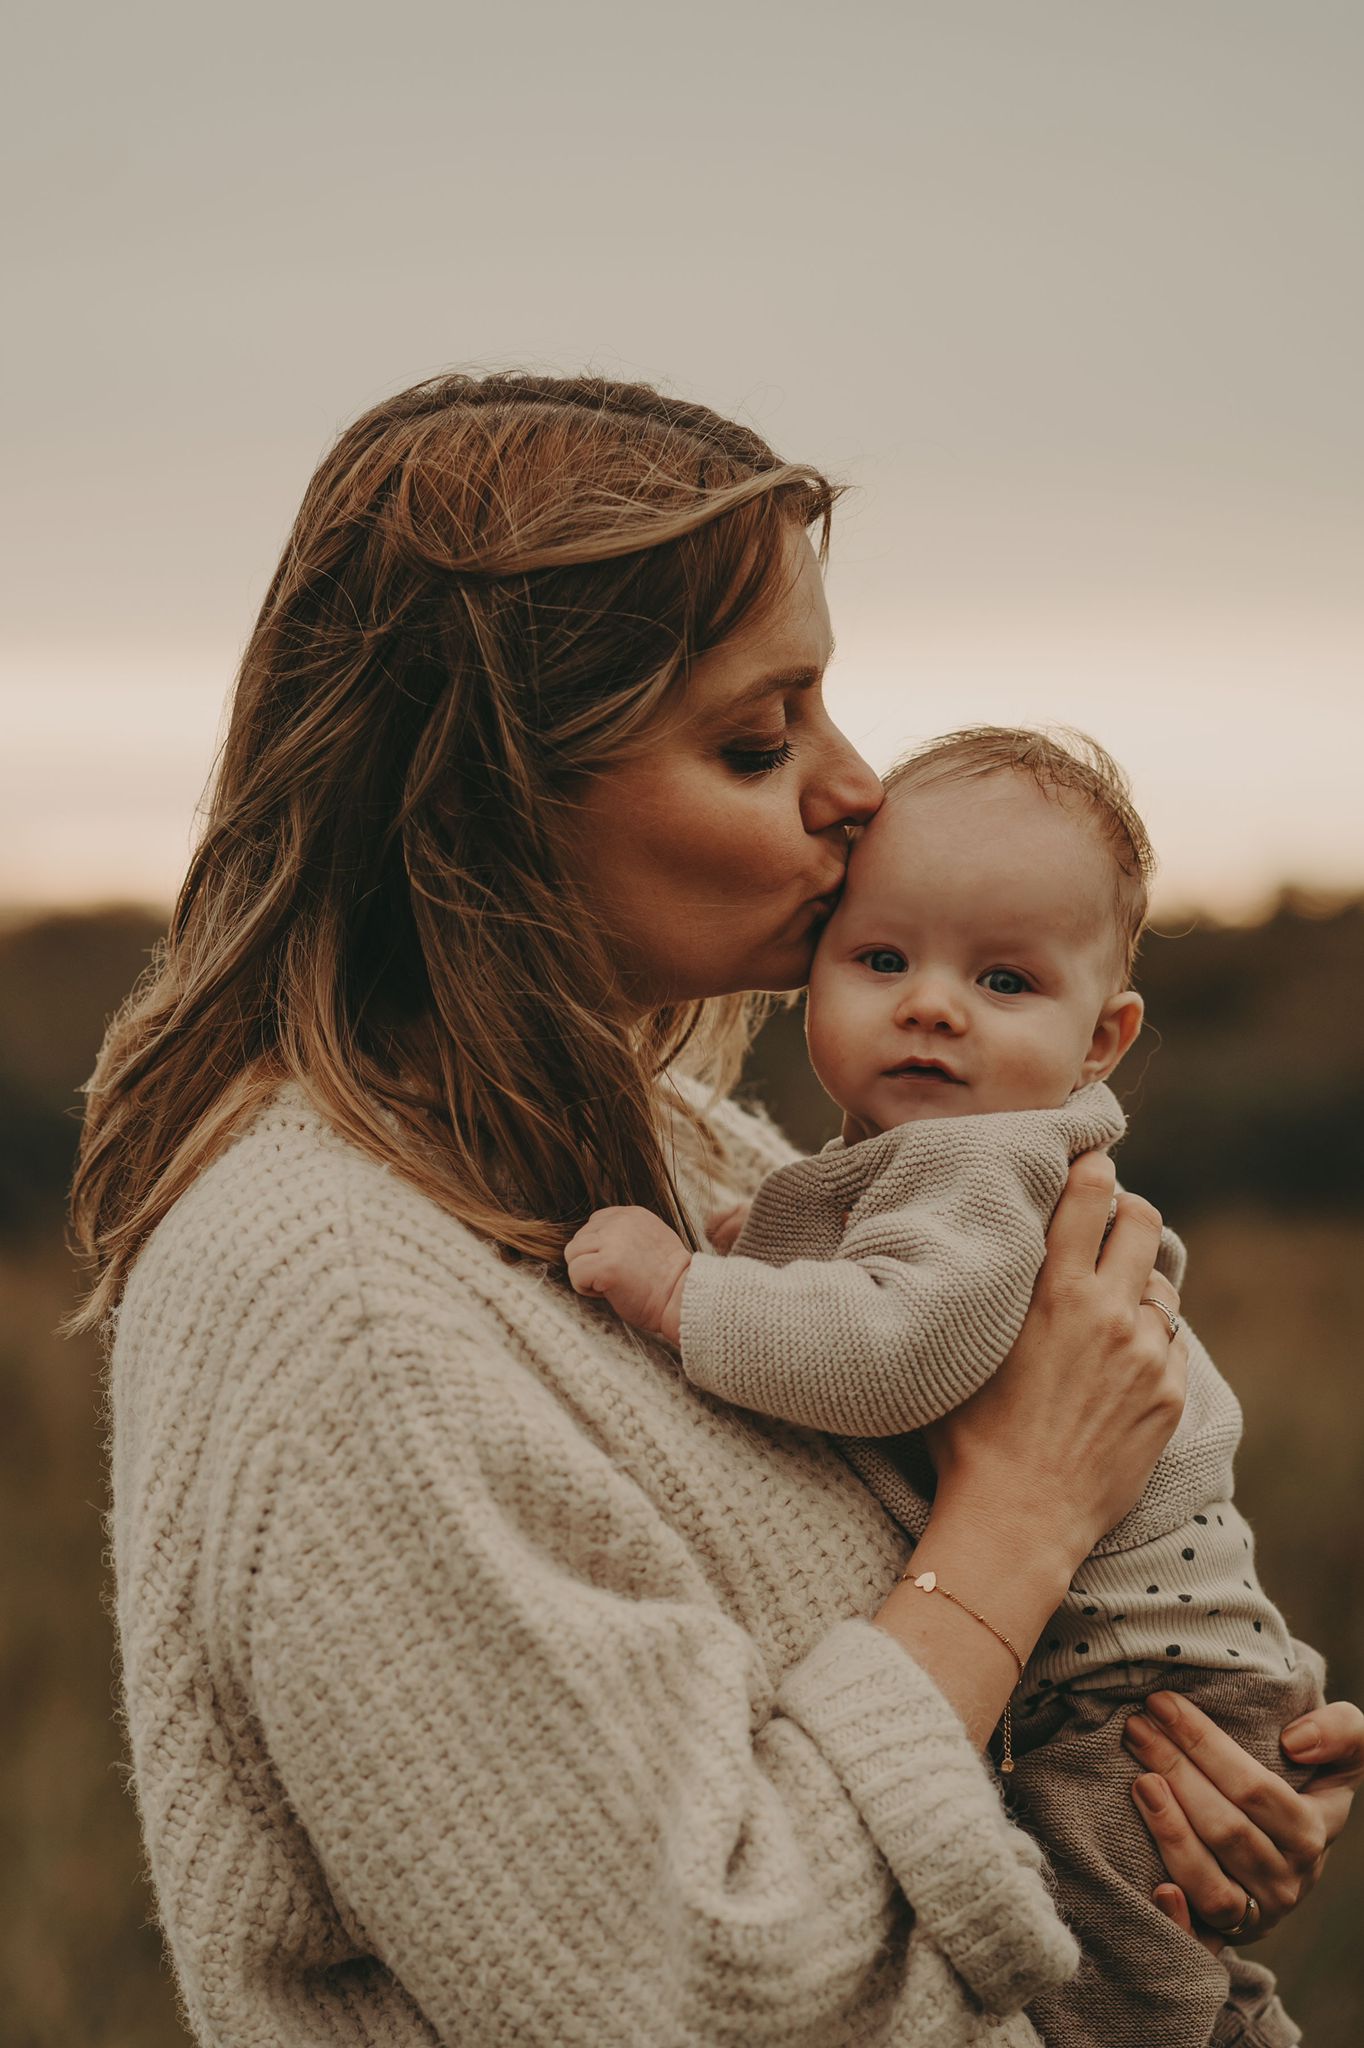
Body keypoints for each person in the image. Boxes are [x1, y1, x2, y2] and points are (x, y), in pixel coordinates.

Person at [70, 372, 1362, 2048]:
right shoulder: (337, 1300)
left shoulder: (687, 1155)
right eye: (759, 739)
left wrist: (1160, 1805)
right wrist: (1030, 1511)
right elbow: (692, 1985)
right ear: (490, 799)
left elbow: (923, 1747)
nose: (854, 786)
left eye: (828, 707)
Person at [565, 724, 1327, 2046]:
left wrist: (685, 1294)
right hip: (1154, 1656)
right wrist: (771, 1252)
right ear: (815, 976)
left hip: (1129, 1683)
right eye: (881, 959)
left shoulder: (982, 1166)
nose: (931, 1004)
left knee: (1107, 1972)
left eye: (1006, 980)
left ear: (1105, 1037)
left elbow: (891, 1351)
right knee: (1168, 1950)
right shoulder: (915, 1162)